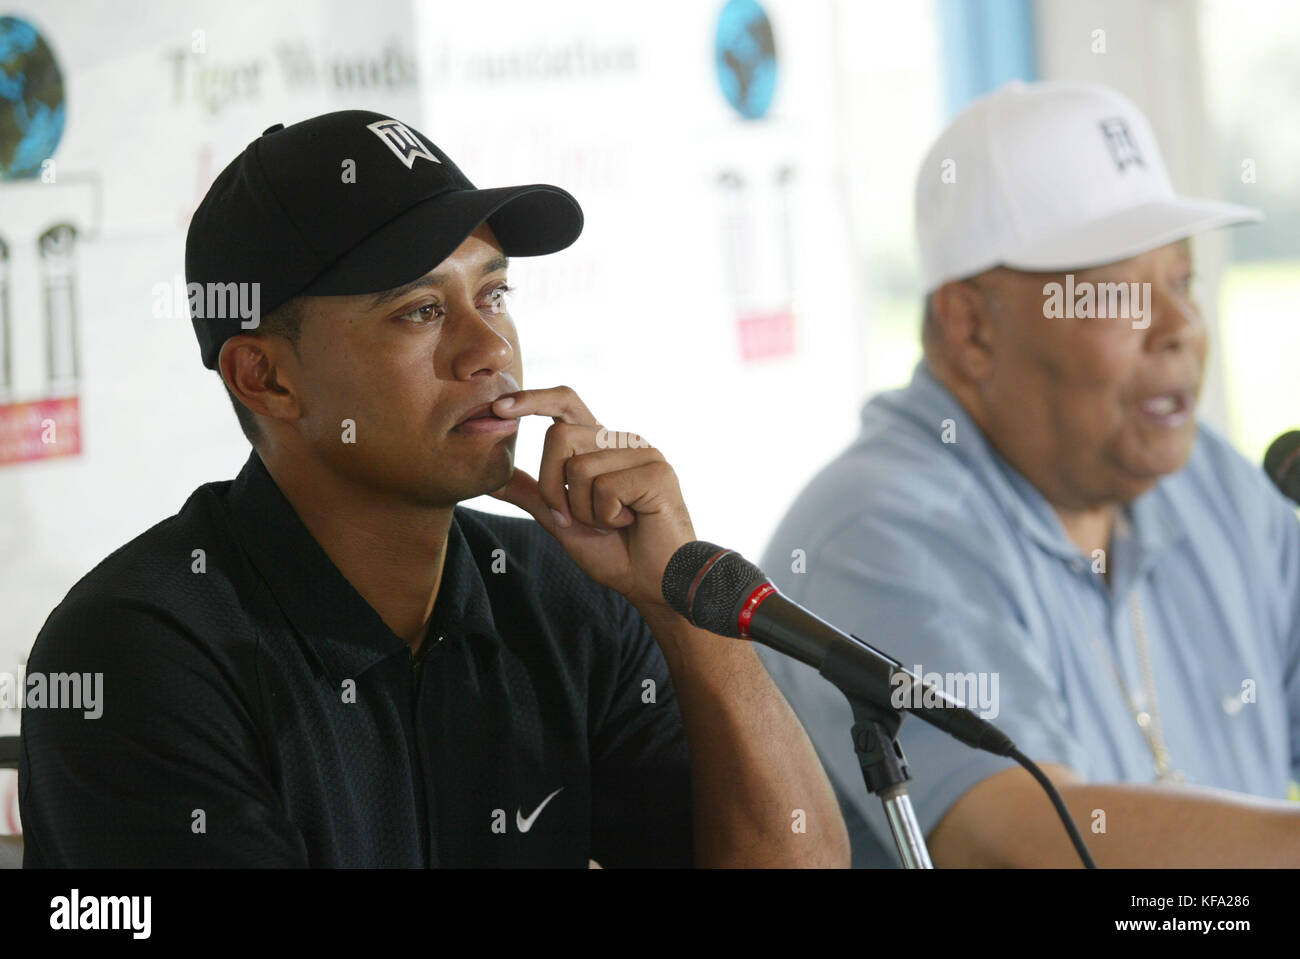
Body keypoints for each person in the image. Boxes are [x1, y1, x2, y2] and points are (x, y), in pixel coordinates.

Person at [19, 110, 849, 868]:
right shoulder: (140, 656)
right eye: (420, 309)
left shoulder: (562, 593)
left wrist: (681, 608)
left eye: (494, 293)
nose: (488, 348)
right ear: (265, 378)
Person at [756, 81, 1300, 867]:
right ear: (972, 327)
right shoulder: (876, 529)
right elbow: (1017, 843)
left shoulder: (1208, 483)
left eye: (1181, 283)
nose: (1181, 328)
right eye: (1123, 294)